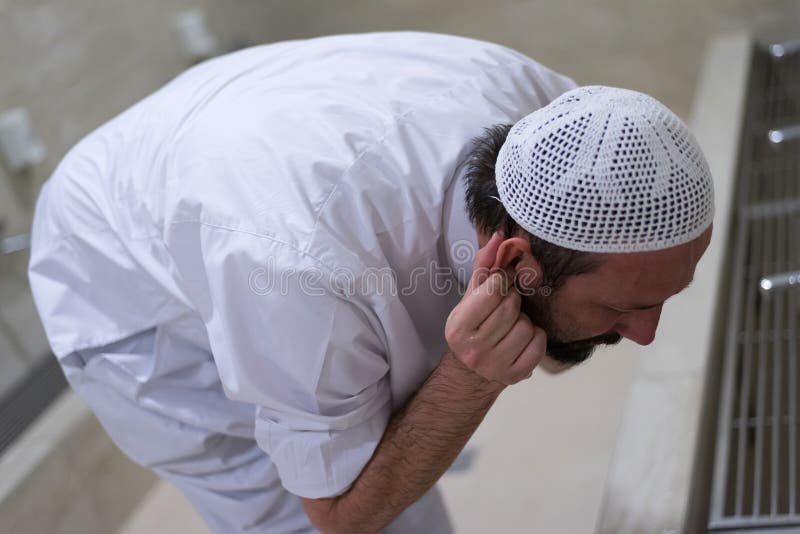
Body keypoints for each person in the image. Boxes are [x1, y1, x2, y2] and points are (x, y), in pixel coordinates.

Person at [27, 31, 714, 533]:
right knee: (303, 514)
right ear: (512, 265)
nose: (646, 334)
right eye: (626, 308)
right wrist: (469, 379)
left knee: (393, 461)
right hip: (116, 269)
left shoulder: (580, 133)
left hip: (243, 129)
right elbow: (338, 513)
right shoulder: (299, 273)